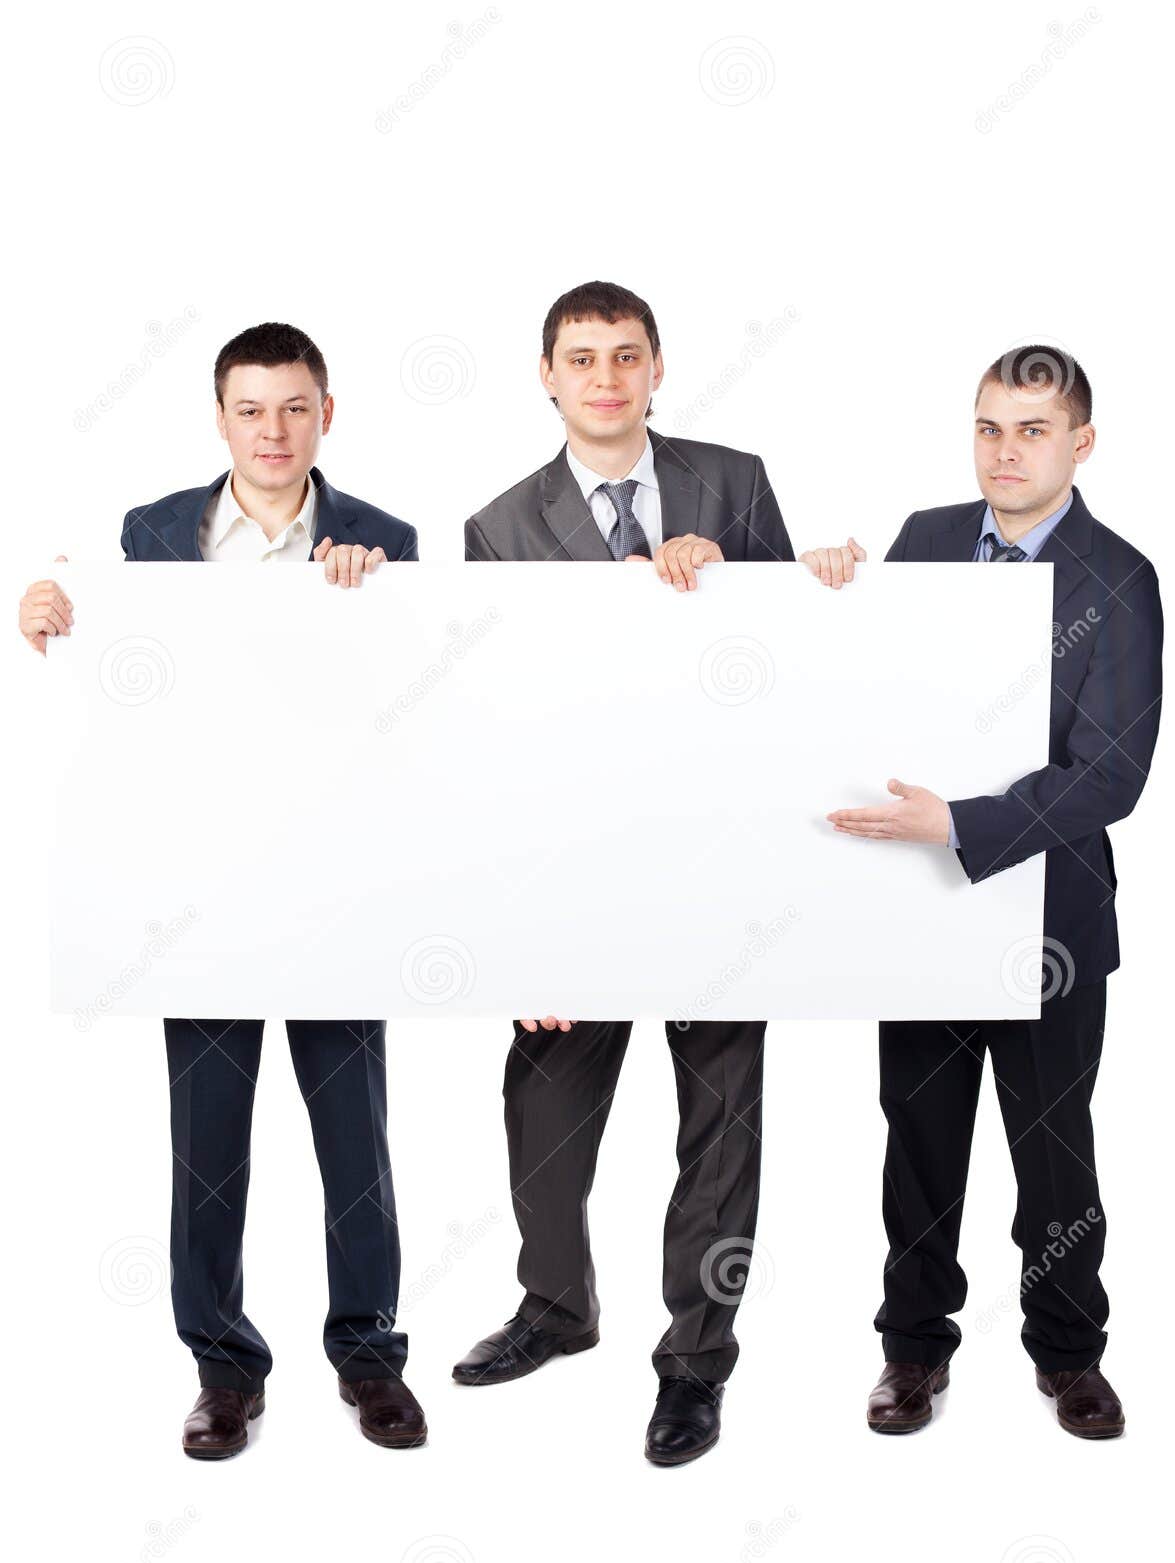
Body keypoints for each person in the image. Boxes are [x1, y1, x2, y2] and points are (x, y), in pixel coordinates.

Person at [455, 278, 856, 1464]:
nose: (605, 378)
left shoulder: (732, 481)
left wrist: (751, 573)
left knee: (720, 1124)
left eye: (625, 355)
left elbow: (797, 660)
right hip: (575, 874)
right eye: (580, 359)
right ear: (546, 375)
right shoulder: (497, 527)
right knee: (542, 1113)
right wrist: (513, 920)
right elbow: (488, 735)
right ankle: (556, 1306)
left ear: (658, 365)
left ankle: (693, 1363)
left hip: (721, 863)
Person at [19, 322, 427, 1458]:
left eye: (294, 407)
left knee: (356, 1138)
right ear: (220, 419)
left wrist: (384, 601)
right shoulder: (154, 532)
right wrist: (50, 612)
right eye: (251, 409)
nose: (273, 431)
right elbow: (112, 651)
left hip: (337, 882)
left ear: (327, 414)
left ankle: (368, 1353)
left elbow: (426, 704)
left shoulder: (383, 539)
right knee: (207, 1141)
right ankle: (222, 1367)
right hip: (198, 884)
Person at [826, 345, 1163, 1439]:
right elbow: (865, 680)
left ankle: (1067, 1353)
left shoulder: (1117, 577)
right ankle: (912, 1351)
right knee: (917, 1144)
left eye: (1029, 429)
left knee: (1053, 1153)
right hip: (920, 907)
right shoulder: (923, 541)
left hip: (1049, 921)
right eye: (986, 427)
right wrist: (826, 587)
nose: (1003, 451)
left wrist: (963, 824)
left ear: (1081, 441)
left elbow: (1109, 774)